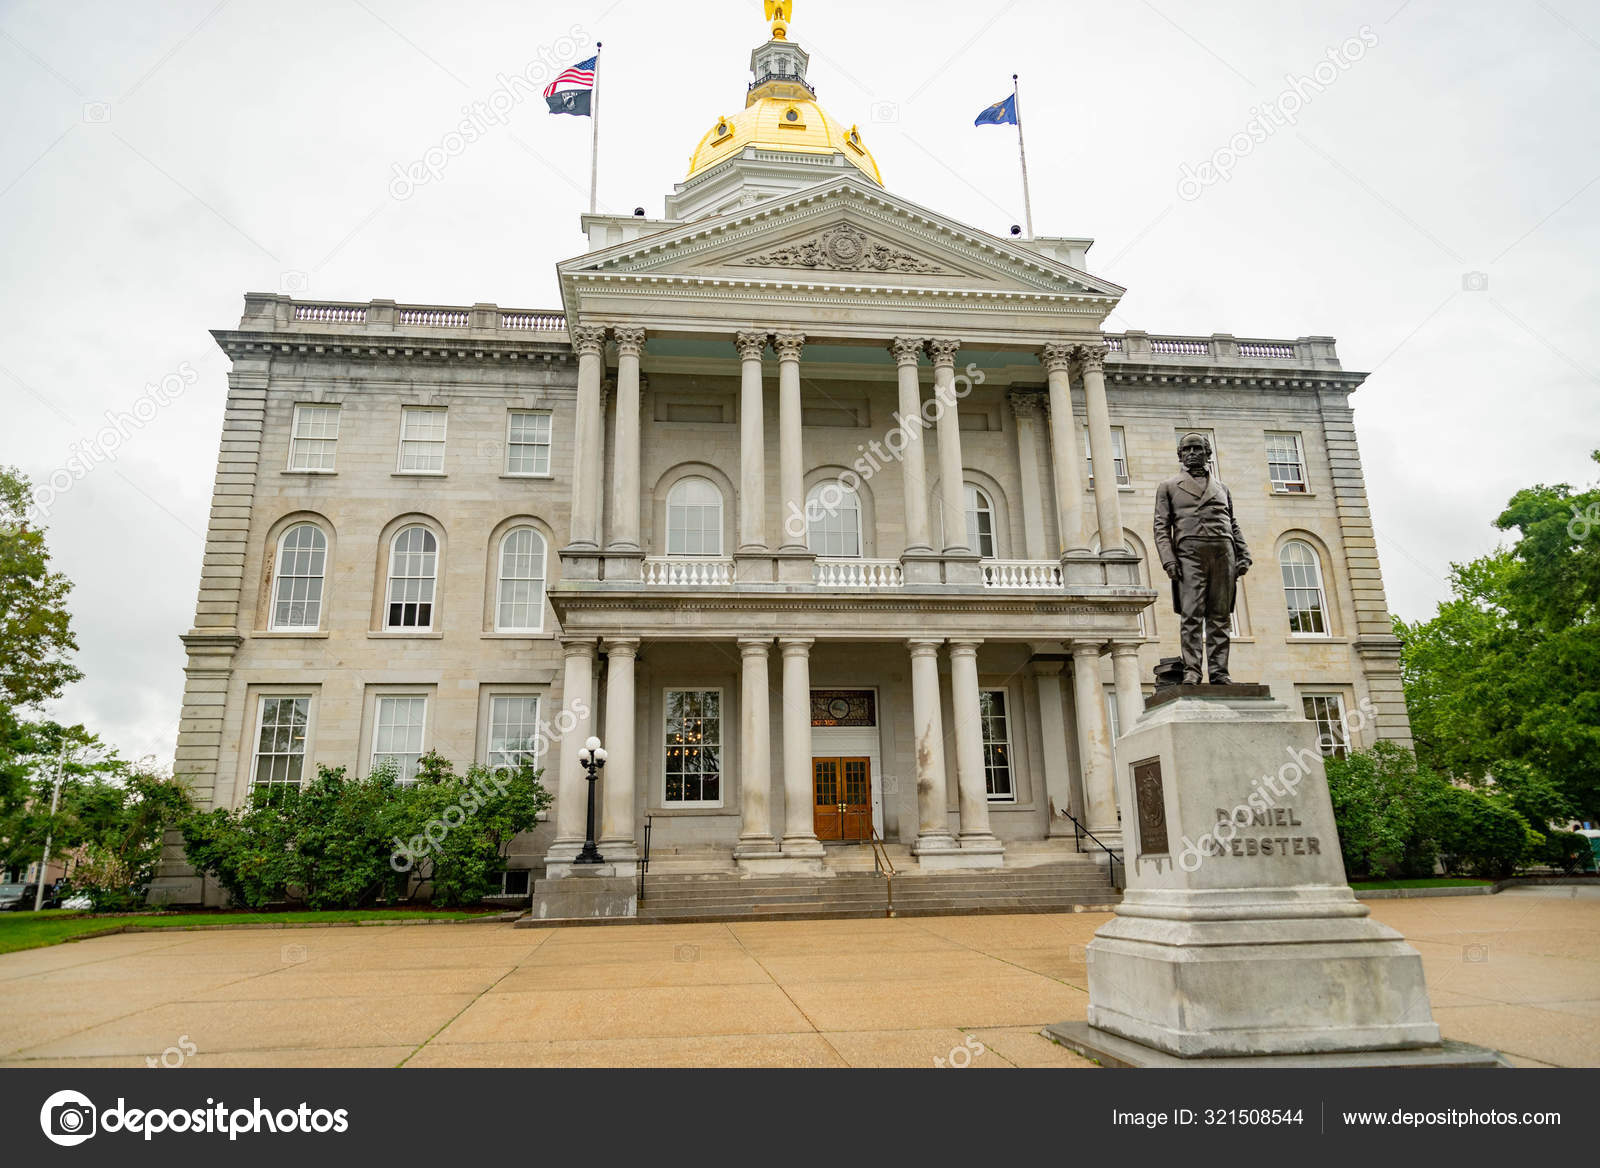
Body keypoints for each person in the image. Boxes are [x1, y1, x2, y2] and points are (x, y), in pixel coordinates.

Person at [1152, 432, 1251, 684]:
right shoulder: (1168, 486)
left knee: (1220, 616)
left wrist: (1243, 553)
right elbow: (1161, 526)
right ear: (1180, 455)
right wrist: (1168, 560)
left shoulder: (1222, 488)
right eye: (1187, 450)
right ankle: (1192, 671)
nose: (1192, 453)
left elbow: (1233, 523)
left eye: (1198, 448)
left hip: (1223, 553)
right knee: (1191, 615)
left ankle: (1219, 673)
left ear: (1208, 454)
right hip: (1189, 554)